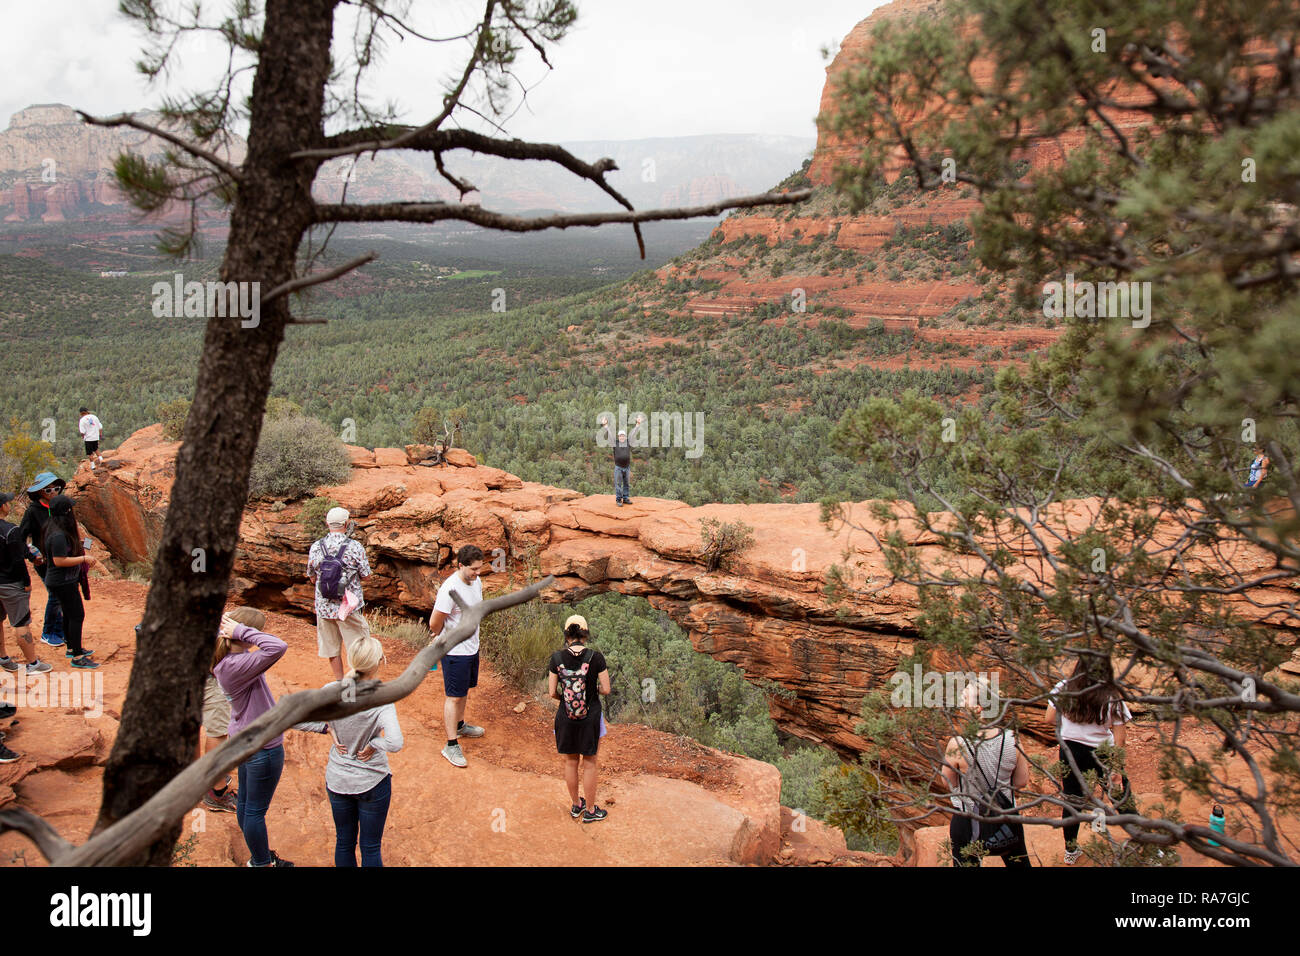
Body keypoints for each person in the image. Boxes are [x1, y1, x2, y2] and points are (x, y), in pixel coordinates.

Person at [295, 635, 403, 866]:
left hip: (338, 780)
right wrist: (374, 744)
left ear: (351, 660)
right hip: (372, 780)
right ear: (379, 662)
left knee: (344, 842)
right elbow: (395, 743)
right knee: (371, 848)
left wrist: (326, 728)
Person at [212, 606, 293, 867]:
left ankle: (258, 857)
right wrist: (242, 629)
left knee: (247, 805)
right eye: (256, 632)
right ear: (244, 635)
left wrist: (232, 627)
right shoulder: (240, 664)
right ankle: (261, 862)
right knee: (255, 811)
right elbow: (278, 646)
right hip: (263, 747)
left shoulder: (226, 658)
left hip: (244, 740)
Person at [1045, 655, 1134, 865]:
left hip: (1071, 751)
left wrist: (1071, 725)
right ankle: (1144, 842)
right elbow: (1120, 734)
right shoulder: (1110, 695)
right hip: (1101, 751)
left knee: (1072, 799)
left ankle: (1070, 849)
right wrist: (1116, 764)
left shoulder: (1063, 687)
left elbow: (1048, 718)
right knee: (1120, 796)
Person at [940, 680, 1031, 867]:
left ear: (978, 708)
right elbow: (1022, 781)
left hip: (968, 818)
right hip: (1005, 814)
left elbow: (947, 783)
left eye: (965, 697)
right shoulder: (1012, 739)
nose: (960, 700)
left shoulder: (958, 744)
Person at [547, 614, 611, 823]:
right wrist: (594, 691)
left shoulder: (556, 658)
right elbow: (607, 689)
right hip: (590, 716)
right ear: (585, 634)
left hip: (565, 716)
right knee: (590, 762)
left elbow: (551, 692)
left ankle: (576, 805)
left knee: (570, 762)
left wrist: (565, 698)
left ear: (567, 635)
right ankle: (591, 810)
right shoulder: (596, 657)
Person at [429, 545, 486, 768]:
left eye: (480, 568)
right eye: (474, 569)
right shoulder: (450, 589)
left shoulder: (476, 581)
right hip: (455, 651)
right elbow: (435, 622)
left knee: (464, 690)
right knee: (453, 696)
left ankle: (460, 726)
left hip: (472, 647)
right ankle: (451, 745)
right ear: (460, 565)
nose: (478, 573)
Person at [307, 507, 372, 681]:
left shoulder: (316, 547)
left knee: (332, 648)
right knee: (358, 647)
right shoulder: (355, 547)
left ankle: (340, 682)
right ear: (347, 523)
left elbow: (312, 577)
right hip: (347, 606)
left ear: (327, 523)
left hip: (324, 606)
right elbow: (366, 576)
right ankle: (356, 683)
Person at [41, 496, 98, 669]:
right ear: (67, 512)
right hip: (62, 581)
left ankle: (72, 648)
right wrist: (83, 558)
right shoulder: (58, 534)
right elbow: (59, 560)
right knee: (77, 615)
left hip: (61, 581)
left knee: (69, 614)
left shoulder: (55, 530)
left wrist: (76, 546)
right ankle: (78, 656)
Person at [0, 492, 51, 678]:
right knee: (21, 623)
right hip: (11, 584)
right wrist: (27, 583)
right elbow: (17, 560)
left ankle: (3, 658)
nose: (9, 504)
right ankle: (32, 663)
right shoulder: (10, 530)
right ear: (2, 507)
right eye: (7, 502)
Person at [16, 472, 66, 648]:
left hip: (61, 558)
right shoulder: (33, 511)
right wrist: (32, 555)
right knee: (56, 594)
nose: (53, 492)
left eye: (56, 488)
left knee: (60, 594)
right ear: (40, 492)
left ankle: (59, 631)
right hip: (44, 562)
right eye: (48, 489)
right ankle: (48, 632)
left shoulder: (60, 507)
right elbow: (20, 538)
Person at [612, 418, 643, 507]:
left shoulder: (628, 442)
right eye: (620, 436)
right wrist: (606, 426)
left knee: (626, 483)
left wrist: (637, 424)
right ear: (618, 437)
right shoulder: (615, 444)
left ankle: (625, 498)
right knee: (618, 484)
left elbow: (633, 434)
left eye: (623, 436)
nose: (622, 437)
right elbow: (610, 436)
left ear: (625, 437)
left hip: (627, 467)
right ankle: (619, 499)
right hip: (618, 467)